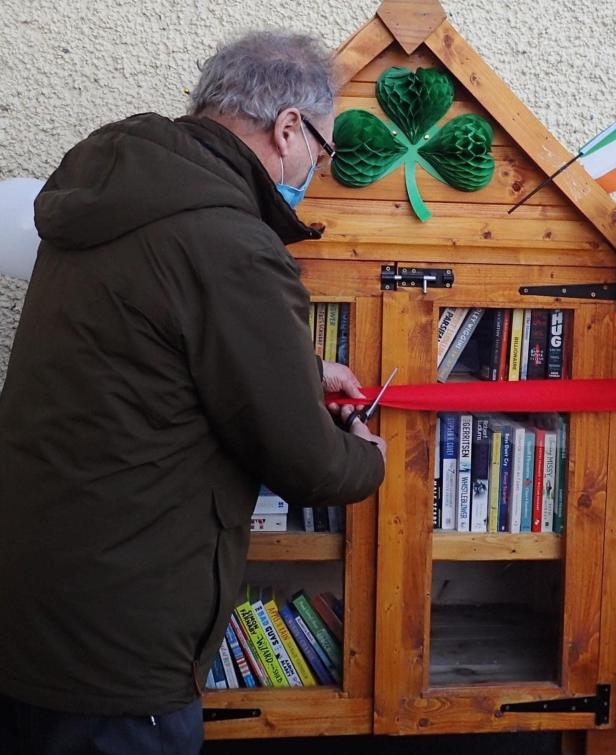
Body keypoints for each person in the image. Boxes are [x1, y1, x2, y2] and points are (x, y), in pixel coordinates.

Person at [0, 30, 386, 754]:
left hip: (32, 610)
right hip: (120, 650)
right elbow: (307, 463)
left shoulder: (113, 197)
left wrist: (301, 371)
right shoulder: (230, 241)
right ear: (288, 129)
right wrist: (368, 455)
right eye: (324, 156)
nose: (316, 174)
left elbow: (152, 362)